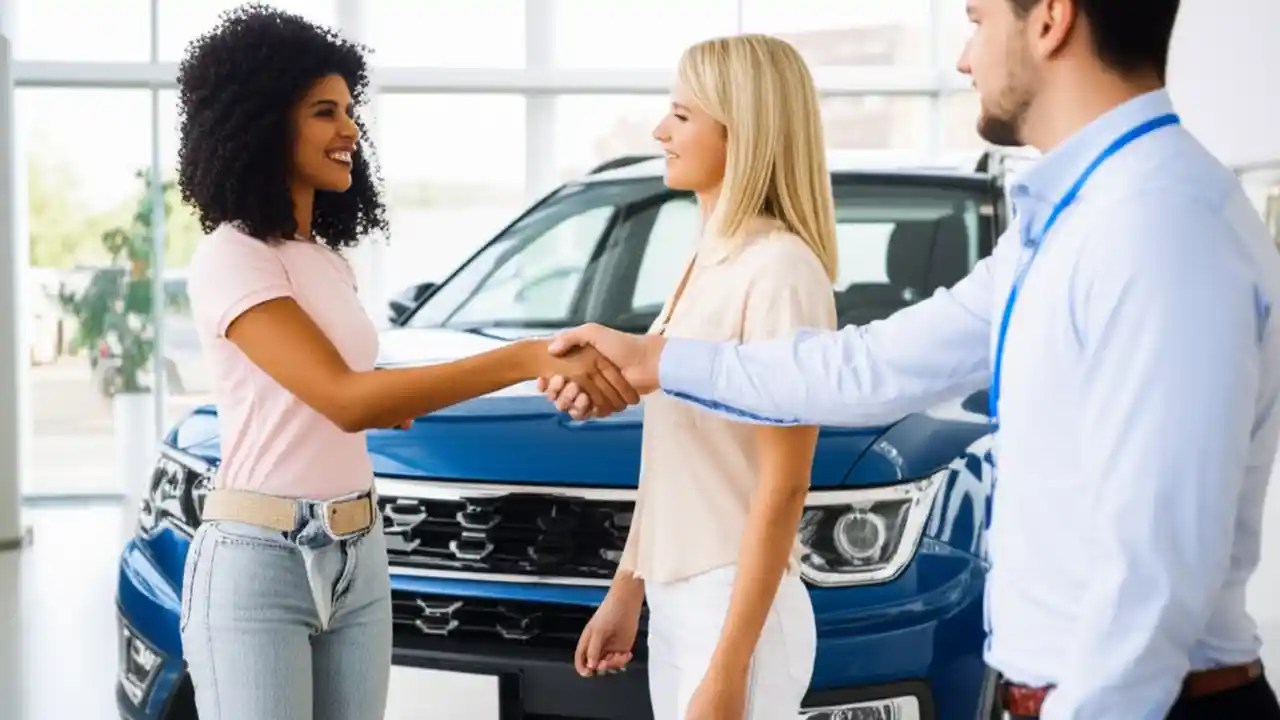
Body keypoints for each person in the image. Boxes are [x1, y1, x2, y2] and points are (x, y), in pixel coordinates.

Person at [541, 1, 1280, 718]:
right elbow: (867, 369)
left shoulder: (1162, 227)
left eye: (976, 21)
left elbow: (1156, 574)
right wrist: (657, 362)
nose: (963, 57)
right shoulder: (1063, 225)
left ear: (1051, 20)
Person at [174, 6, 635, 719]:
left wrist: (401, 394)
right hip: (260, 558)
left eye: (350, 110)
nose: (350, 130)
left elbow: (370, 400)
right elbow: (349, 399)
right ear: (265, 122)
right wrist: (524, 358)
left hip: (360, 550)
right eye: (325, 111)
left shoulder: (325, 263)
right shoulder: (235, 256)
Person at [565, 34, 838, 720]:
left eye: (682, 115)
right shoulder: (704, 265)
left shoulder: (780, 271)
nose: (661, 130)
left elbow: (784, 484)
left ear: (741, 129)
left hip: (734, 608)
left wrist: (728, 667)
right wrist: (628, 589)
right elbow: (672, 460)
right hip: (680, 596)